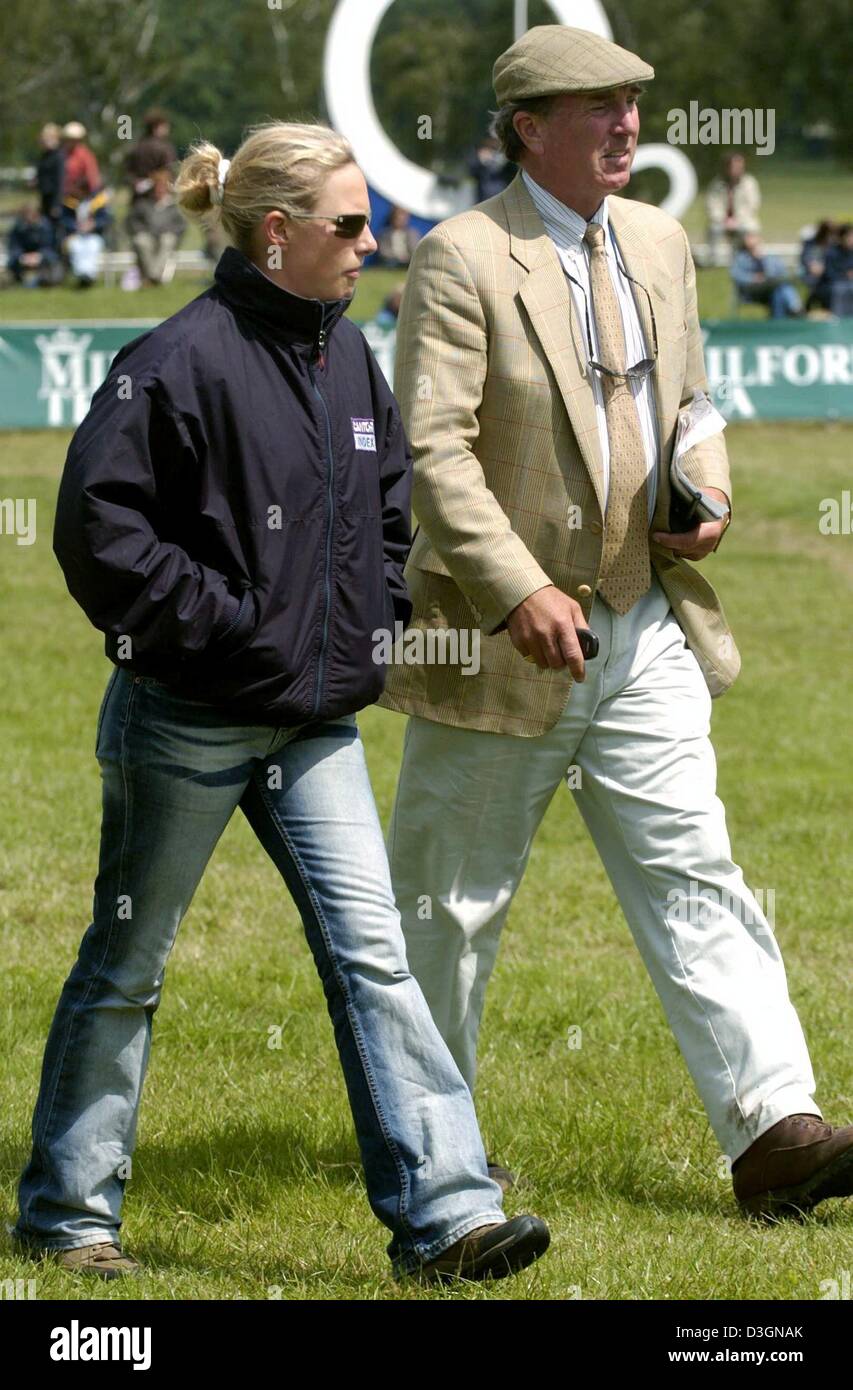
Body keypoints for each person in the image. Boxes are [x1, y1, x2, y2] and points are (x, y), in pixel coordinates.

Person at [11, 121, 550, 1285]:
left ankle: (447, 1217)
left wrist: (374, 613)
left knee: (375, 958)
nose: (374, 243)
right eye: (351, 225)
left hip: (317, 731)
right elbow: (98, 534)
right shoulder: (172, 361)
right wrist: (227, 627)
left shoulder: (347, 356)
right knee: (127, 965)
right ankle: (67, 1215)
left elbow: (391, 499)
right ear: (275, 234)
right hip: (187, 721)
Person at [377, 25, 853, 1222]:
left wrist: (711, 481)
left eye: (634, 103)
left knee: (695, 869)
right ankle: (429, 1154)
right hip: (495, 638)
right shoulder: (459, 257)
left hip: (644, 627)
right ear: (528, 129)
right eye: (596, 106)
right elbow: (429, 450)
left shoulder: (658, 239)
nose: (626, 124)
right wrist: (513, 586)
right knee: (452, 907)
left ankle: (773, 1131)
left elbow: (690, 397)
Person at [124, 109, 183, 285]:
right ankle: (153, 276)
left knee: (142, 240)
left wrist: (138, 184)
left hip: (138, 200)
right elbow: (169, 173)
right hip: (159, 199)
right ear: (157, 127)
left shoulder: (135, 147)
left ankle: (146, 277)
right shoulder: (164, 148)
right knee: (159, 239)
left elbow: (127, 174)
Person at [705, 153, 761, 266]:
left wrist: (737, 220)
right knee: (713, 229)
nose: (737, 170)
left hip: (744, 221)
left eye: (740, 167)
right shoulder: (717, 184)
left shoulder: (749, 183)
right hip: (721, 221)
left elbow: (753, 205)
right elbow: (712, 205)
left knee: (751, 229)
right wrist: (723, 219)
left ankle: (748, 260)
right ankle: (713, 261)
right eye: (734, 167)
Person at [731, 231, 802, 318]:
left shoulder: (769, 257)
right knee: (781, 287)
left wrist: (764, 262)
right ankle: (796, 308)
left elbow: (782, 272)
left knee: (779, 291)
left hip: (770, 286)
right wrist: (753, 278)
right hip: (752, 290)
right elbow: (736, 275)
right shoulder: (741, 258)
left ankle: (780, 319)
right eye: (749, 239)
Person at [5, 201, 62, 286]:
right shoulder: (17, 228)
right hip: (23, 256)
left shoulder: (46, 226)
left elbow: (49, 245)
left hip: (42, 255)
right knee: (11, 260)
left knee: (52, 258)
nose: (29, 217)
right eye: (26, 215)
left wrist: (39, 256)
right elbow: (14, 245)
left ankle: (46, 280)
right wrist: (22, 256)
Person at [33, 123, 65, 251]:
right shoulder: (44, 156)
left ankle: (56, 256)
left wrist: (56, 204)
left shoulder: (58, 157)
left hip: (54, 199)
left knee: (55, 230)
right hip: (44, 197)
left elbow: (59, 181)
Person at [800, 219, 836, 311]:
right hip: (812, 277)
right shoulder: (810, 244)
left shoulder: (833, 245)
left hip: (829, 278)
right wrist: (813, 266)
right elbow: (807, 260)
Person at [468, 133, 514, 201]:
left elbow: (512, 173)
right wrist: (481, 161)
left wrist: (506, 160)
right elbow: (472, 173)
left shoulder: (505, 155)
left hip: (502, 196)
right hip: (484, 197)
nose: (493, 142)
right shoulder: (481, 154)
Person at [821, 222, 853, 317]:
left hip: (849, 283)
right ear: (842, 238)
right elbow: (830, 274)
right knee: (843, 289)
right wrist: (846, 275)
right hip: (833, 284)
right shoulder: (832, 252)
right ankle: (840, 318)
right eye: (850, 236)